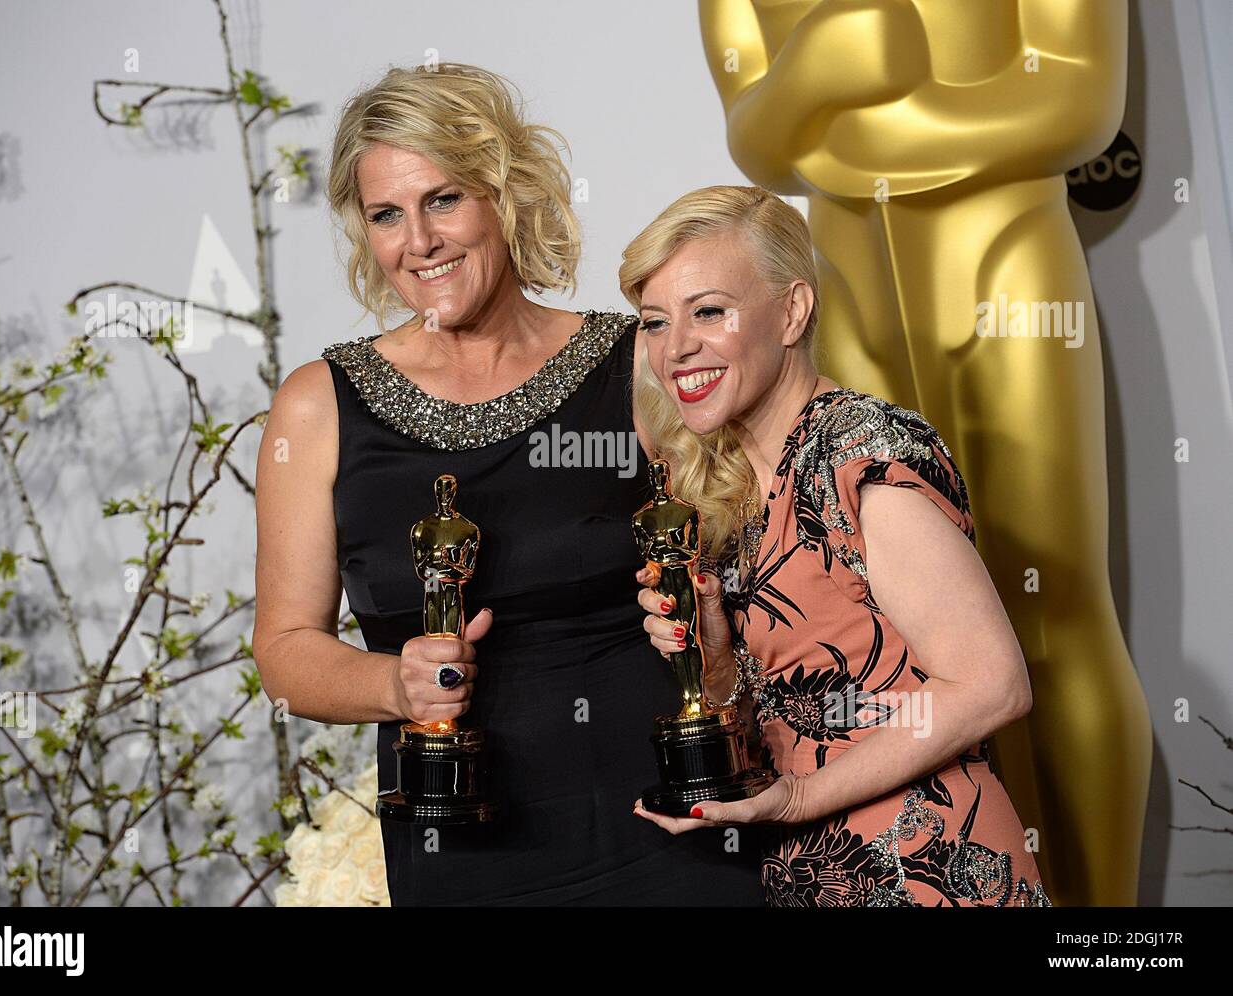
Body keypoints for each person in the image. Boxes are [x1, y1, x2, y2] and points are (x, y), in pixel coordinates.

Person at [252, 65, 761, 905]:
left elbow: (760, 587)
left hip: (676, 831)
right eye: (387, 215)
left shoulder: (638, 363)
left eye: (443, 199)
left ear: (506, 193)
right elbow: (284, 652)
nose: (418, 241)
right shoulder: (317, 407)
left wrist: (717, 656)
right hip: (463, 851)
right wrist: (393, 684)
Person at [624, 184, 1051, 907]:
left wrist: (796, 799)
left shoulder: (858, 453)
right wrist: (717, 652)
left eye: (708, 312)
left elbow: (991, 684)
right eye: (655, 323)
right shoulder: (727, 493)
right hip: (817, 878)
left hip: (932, 871)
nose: (676, 350)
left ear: (792, 310)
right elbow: (785, 712)